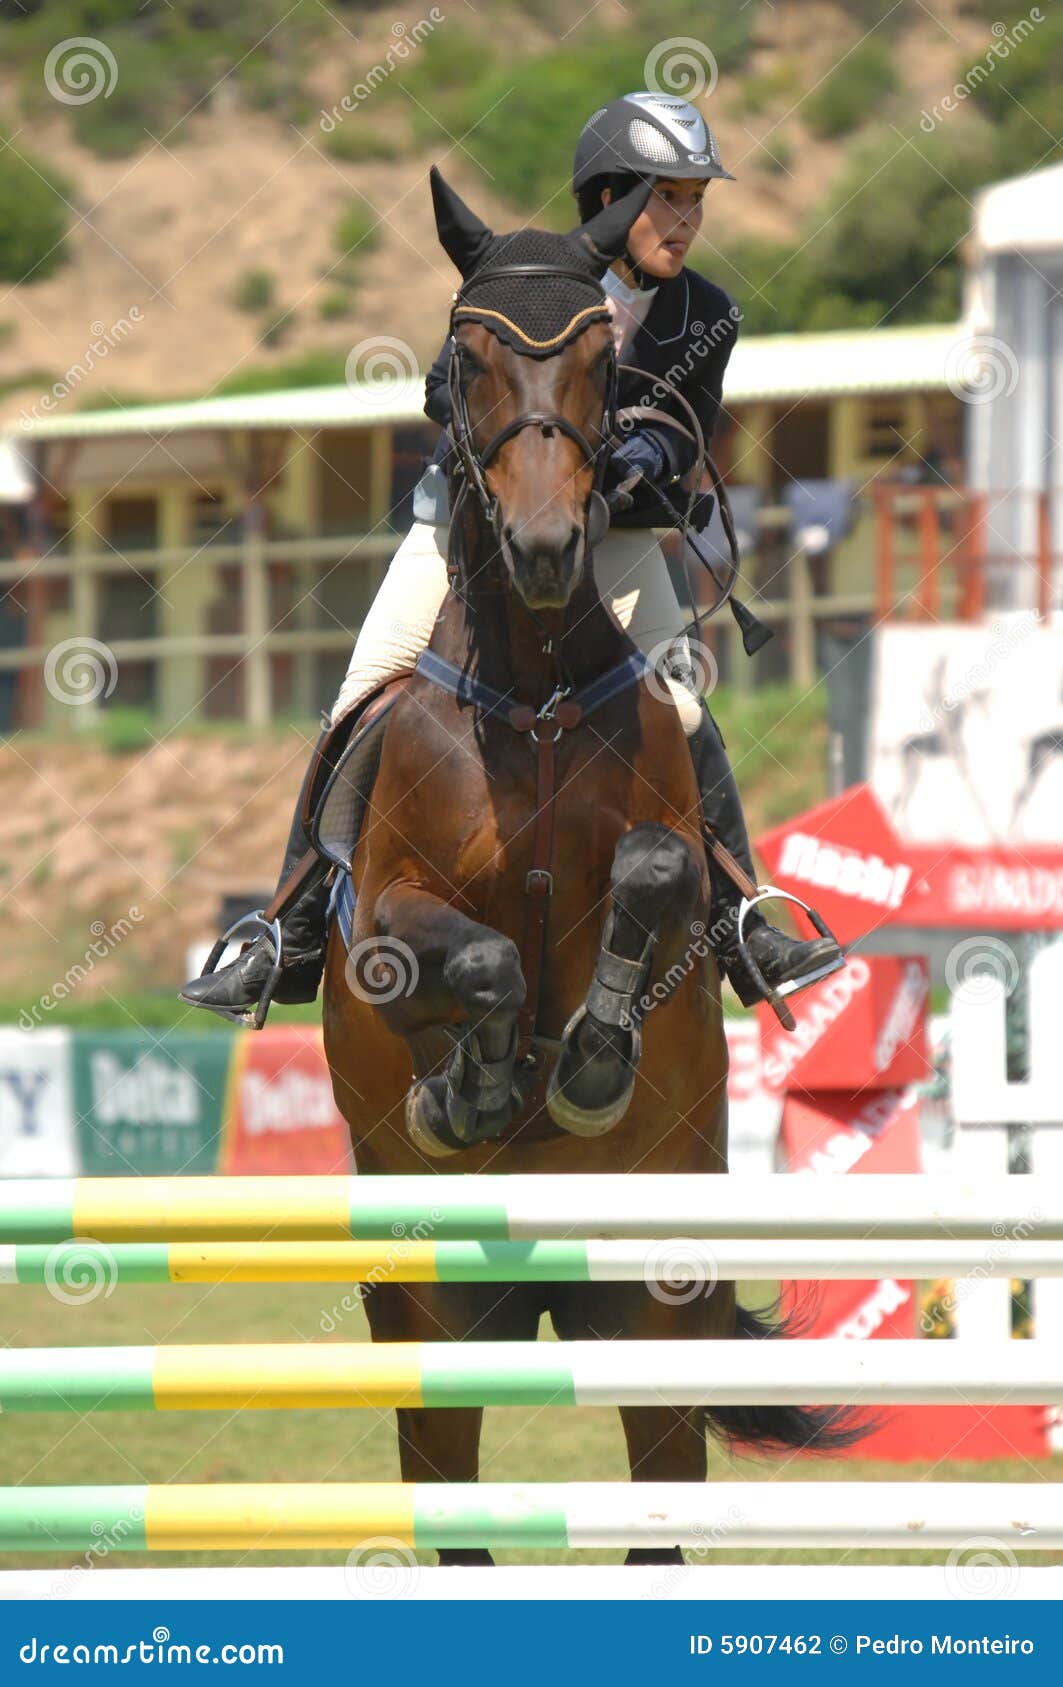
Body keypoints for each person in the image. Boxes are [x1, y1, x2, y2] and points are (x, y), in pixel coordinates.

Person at [181, 91, 842, 1019]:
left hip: (611, 545)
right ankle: (282, 934)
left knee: (684, 706)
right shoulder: (523, 274)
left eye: (698, 202)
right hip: (466, 539)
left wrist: (642, 453)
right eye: (669, 199)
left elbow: (688, 430)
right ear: (610, 194)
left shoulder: (708, 311)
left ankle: (742, 922)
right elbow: (436, 392)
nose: (687, 222)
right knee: (359, 694)